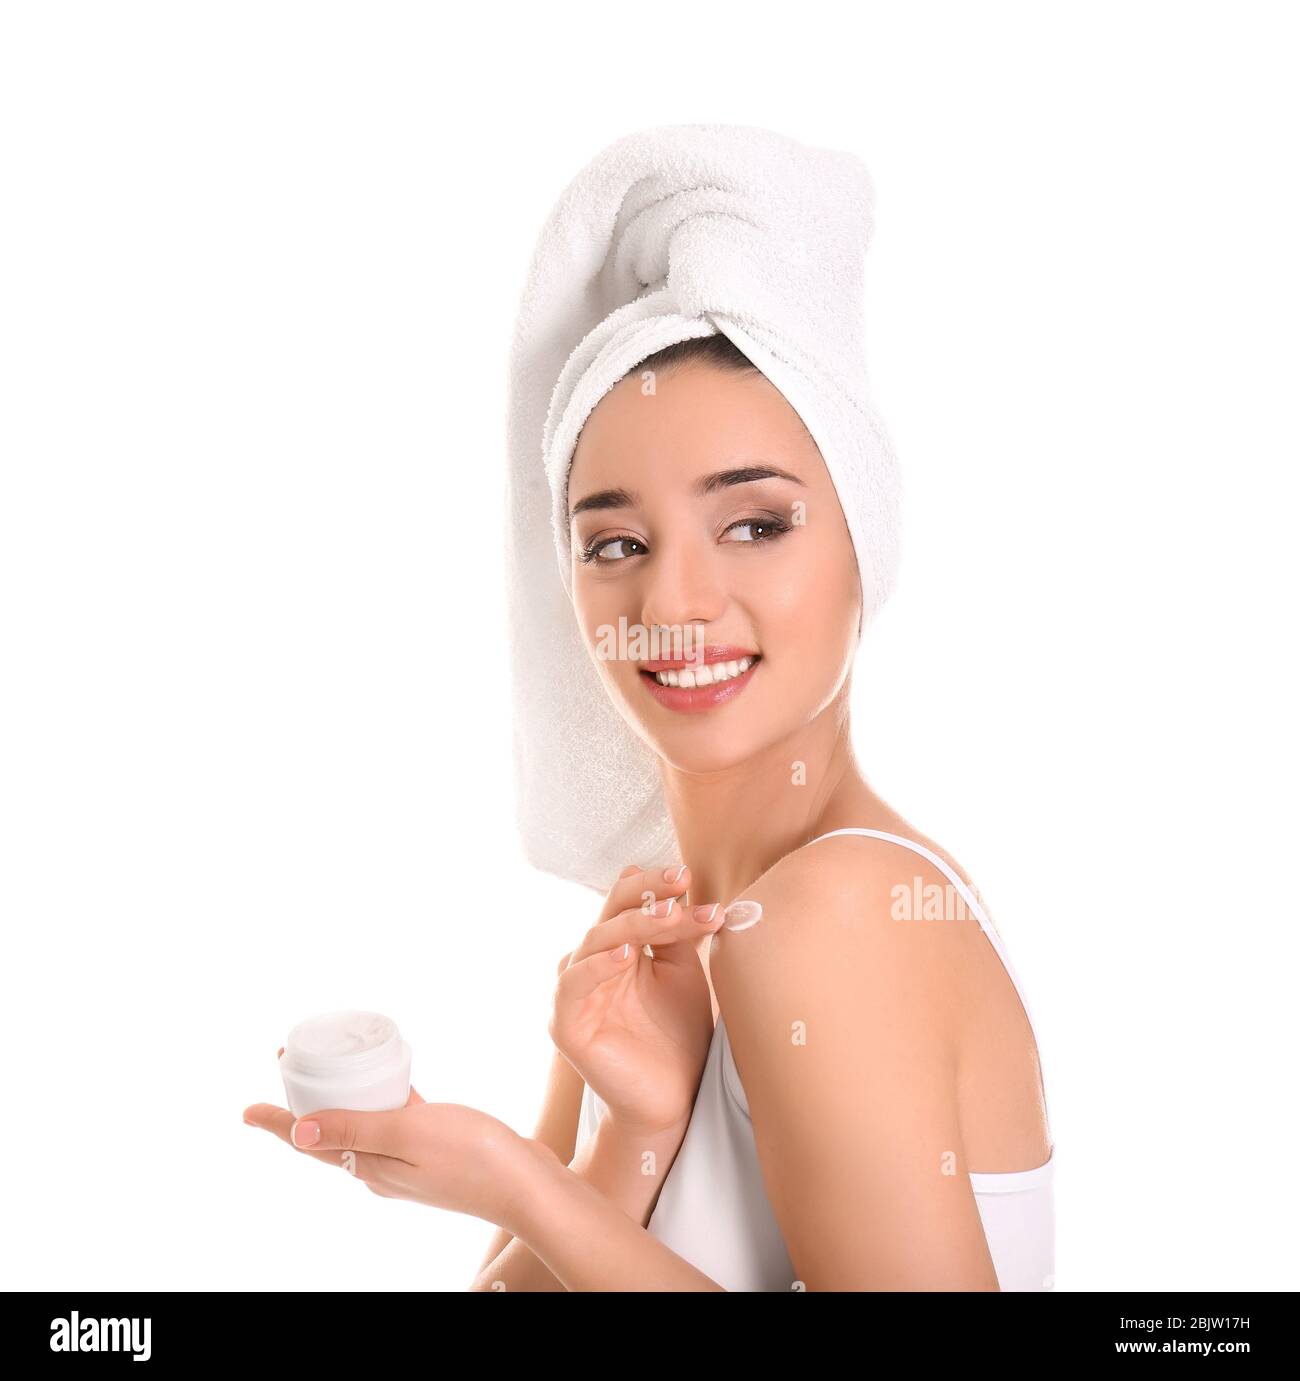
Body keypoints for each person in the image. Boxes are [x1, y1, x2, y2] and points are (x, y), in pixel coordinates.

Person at [244, 126, 1055, 1292]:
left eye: (756, 522)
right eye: (616, 542)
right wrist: (634, 1133)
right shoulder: (654, 946)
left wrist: (516, 1181)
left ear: (864, 541)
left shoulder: (839, 915)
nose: (672, 601)